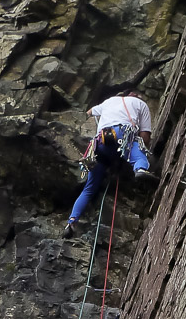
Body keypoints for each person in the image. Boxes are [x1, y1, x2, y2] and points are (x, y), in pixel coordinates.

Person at [64, 91, 155, 236]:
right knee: (137, 148)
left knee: (89, 188)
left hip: (100, 143)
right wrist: (139, 150)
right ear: (136, 96)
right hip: (122, 134)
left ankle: (71, 221)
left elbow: (89, 112)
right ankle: (141, 169)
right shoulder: (141, 104)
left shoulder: (110, 101)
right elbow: (145, 135)